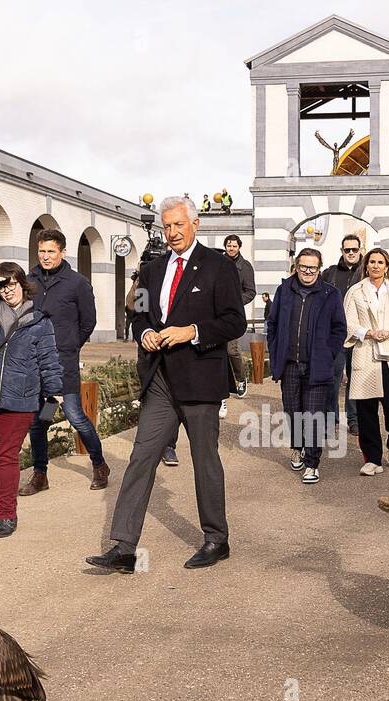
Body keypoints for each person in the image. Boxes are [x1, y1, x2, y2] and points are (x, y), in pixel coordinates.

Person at [86, 196, 246, 572]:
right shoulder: (153, 269)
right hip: (160, 379)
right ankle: (124, 547)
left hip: (200, 379)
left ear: (195, 225)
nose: (172, 232)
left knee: (205, 460)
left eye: (178, 225)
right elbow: (138, 313)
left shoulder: (219, 266)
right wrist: (143, 334)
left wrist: (191, 331)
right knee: (141, 456)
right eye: (167, 226)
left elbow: (234, 322)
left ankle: (216, 539)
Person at [0, 263, 63, 538]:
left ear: (23, 284)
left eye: (13, 285)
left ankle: (7, 514)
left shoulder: (40, 322)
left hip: (19, 402)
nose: (8, 291)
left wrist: (53, 394)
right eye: (2, 287)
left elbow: (49, 361)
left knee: (6, 456)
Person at [18, 229, 109, 495]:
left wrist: (69, 346)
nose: (45, 257)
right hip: (36, 365)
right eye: (42, 252)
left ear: (62, 252)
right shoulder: (29, 280)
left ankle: (99, 464)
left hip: (62, 364)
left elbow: (88, 322)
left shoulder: (77, 283)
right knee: (40, 420)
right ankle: (40, 474)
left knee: (74, 415)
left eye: (51, 252)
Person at [265, 248, 346, 485]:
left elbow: (339, 328)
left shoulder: (331, 294)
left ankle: (312, 463)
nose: (307, 272)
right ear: (296, 266)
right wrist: (275, 347)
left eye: (312, 267)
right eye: (303, 267)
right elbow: (273, 323)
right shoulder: (284, 290)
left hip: (317, 366)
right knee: (293, 412)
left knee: (312, 416)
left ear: (319, 268)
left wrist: (327, 353)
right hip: (289, 364)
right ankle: (297, 446)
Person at [344, 248, 389, 476]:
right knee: (366, 409)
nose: (375, 266)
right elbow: (349, 323)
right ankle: (372, 458)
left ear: (387, 266)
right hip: (366, 353)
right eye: (371, 262)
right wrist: (369, 333)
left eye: (379, 262)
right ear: (366, 265)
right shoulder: (355, 291)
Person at [322, 235, 364, 436]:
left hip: (359, 334)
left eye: (354, 250)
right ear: (342, 250)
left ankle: (354, 419)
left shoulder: (366, 272)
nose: (351, 253)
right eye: (347, 250)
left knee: (355, 377)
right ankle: (331, 418)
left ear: (360, 249)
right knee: (333, 377)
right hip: (335, 333)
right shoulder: (330, 273)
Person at [222, 234, 255, 409]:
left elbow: (250, 291)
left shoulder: (245, 267)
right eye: (229, 245)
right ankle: (220, 389)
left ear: (239, 247)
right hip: (216, 313)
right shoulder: (218, 263)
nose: (231, 248)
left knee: (231, 350)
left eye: (234, 246)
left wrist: (234, 299)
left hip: (234, 314)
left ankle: (241, 378)